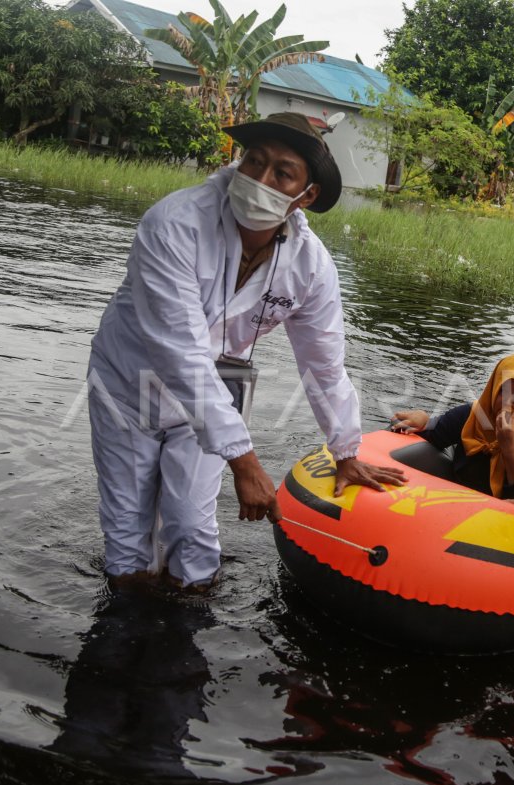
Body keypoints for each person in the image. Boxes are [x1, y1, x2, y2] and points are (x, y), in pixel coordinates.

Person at [87, 112, 405, 591]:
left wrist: (345, 451)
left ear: (307, 195)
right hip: (129, 384)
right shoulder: (175, 224)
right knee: (128, 532)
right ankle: (127, 624)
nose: (260, 178)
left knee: (193, 530)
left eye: (282, 172)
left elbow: (324, 363)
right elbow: (181, 352)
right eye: (253, 162)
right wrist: (246, 463)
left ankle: (187, 627)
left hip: (214, 390)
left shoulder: (310, 266)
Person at [389, 354, 514, 499]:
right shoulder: (474, 416)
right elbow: (435, 432)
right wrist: (425, 421)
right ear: (493, 389)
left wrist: (510, 451)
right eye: (503, 391)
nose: (509, 402)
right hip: (456, 508)